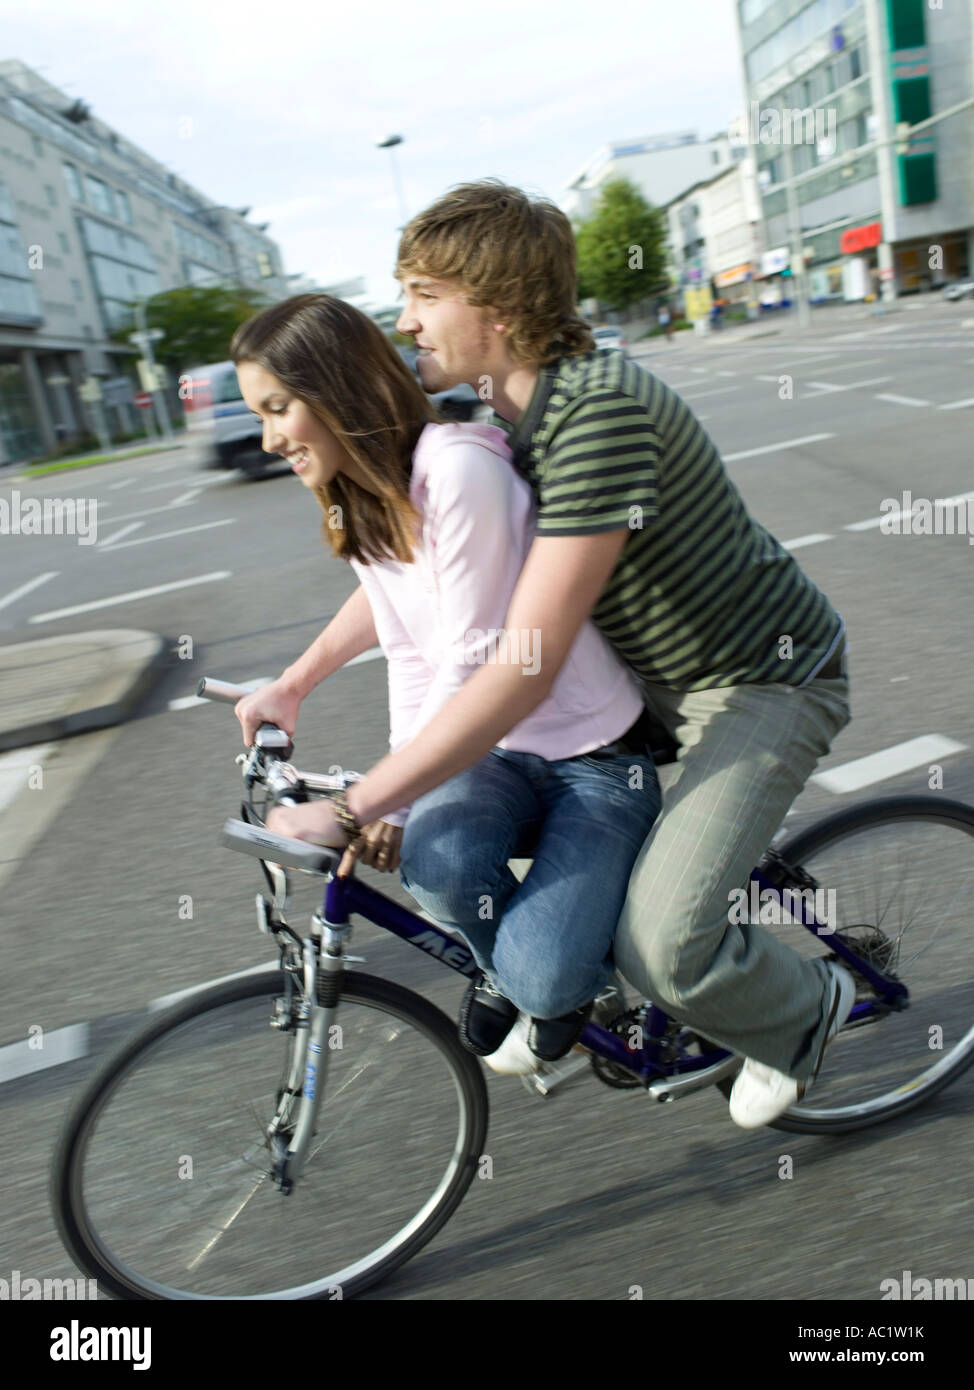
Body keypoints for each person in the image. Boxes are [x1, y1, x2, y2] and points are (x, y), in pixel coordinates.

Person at [243, 182, 855, 1129]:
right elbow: (415, 584)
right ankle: (568, 962)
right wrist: (299, 682)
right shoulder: (509, 420)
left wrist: (365, 801)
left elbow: (519, 659)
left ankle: (804, 1011)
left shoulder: (594, 416)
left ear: (496, 304)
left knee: (665, 949)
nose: (403, 321)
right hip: (655, 688)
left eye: (422, 294)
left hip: (758, 681)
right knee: (474, 864)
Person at [231, 293, 661, 1072]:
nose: (267, 439)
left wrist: (377, 802)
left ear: (334, 388)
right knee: (438, 864)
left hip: (596, 758)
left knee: (540, 974)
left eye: (278, 408)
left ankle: (562, 976)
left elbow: (468, 666)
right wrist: (306, 696)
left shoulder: (458, 471)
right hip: (496, 754)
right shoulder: (363, 494)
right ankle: (543, 971)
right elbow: (409, 652)